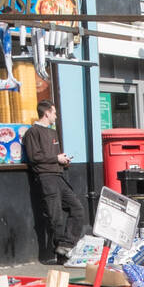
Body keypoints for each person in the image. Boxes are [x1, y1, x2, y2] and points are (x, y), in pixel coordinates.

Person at [22, 100, 87, 264]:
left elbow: (53, 157)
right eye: (54, 112)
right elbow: (34, 157)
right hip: (45, 177)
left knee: (77, 208)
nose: (56, 116)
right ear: (47, 113)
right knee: (55, 215)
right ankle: (62, 256)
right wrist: (55, 158)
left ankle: (66, 245)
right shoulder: (32, 132)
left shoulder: (53, 133)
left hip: (59, 176)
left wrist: (63, 160)